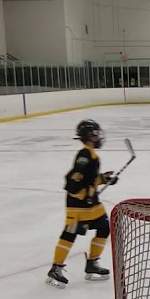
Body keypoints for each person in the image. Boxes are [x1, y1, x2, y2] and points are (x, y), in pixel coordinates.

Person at [47, 119, 116, 287]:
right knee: (70, 234)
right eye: (96, 133)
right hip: (78, 206)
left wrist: (103, 179)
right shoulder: (85, 155)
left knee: (104, 228)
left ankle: (92, 263)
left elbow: (88, 179)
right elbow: (73, 180)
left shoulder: (91, 154)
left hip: (91, 205)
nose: (99, 136)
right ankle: (56, 268)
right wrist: (83, 195)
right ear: (89, 135)